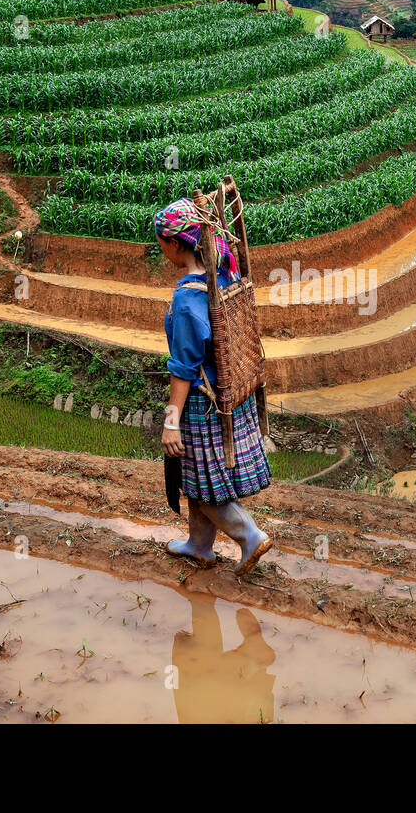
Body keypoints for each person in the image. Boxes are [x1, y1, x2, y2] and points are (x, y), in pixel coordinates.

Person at [154, 198, 274, 577]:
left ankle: (250, 536)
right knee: (200, 478)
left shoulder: (189, 298)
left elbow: (183, 369)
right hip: (228, 395)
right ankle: (200, 546)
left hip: (201, 404)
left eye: (161, 242)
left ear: (176, 244)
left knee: (200, 482)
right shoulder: (225, 275)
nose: (160, 248)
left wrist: (171, 421)